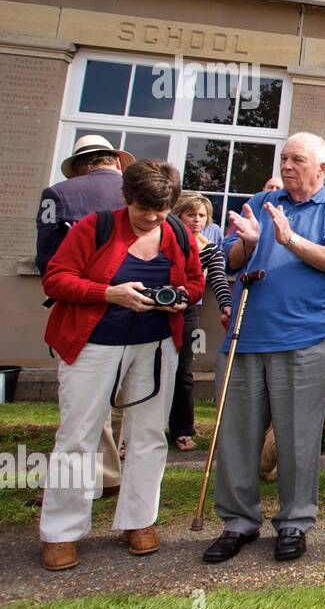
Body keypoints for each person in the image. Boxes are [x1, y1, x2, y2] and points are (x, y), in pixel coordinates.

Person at [38, 159, 203, 570]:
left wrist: (183, 295)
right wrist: (107, 293)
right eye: (141, 210)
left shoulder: (178, 233)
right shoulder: (95, 227)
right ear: (126, 198)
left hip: (156, 345)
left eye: (159, 212)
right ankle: (62, 531)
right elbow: (55, 278)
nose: (149, 219)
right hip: (93, 344)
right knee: (78, 435)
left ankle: (139, 519)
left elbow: (196, 282)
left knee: (149, 435)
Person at [203, 133, 325, 564]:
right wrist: (249, 243)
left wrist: (289, 240)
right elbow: (230, 260)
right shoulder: (259, 200)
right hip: (246, 336)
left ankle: (294, 522)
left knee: (297, 439)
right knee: (236, 436)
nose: (287, 166)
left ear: (322, 168)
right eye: (284, 158)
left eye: (298, 159)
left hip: (304, 338)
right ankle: (238, 522)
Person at [34, 134, 135, 500]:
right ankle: (113, 469)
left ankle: (100, 476)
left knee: (85, 401)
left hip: (84, 307)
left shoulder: (59, 193)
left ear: (80, 165)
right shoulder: (140, 192)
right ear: (116, 162)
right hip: (140, 309)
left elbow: (48, 262)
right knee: (127, 396)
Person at [169, 193, 232, 451]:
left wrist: (227, 305)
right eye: (191, 214)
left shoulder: (209, 248)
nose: (197, 220)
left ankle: (182, 430)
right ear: (179, 215)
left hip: (187, 313)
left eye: (202, 215)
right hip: (153, 311)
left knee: (183, 372)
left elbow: (218, 279)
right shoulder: (165, 241)